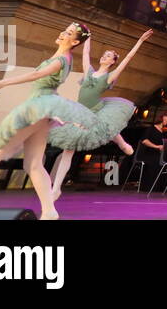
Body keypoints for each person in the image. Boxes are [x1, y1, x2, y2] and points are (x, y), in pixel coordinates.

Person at [0, 22, 100, 219]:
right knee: (33, 163)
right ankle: (49, 211)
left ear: (74, 41)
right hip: (41, 109)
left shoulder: (61, 59)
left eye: (68, 33)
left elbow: (37, 75)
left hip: (37, 109)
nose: (62, 33)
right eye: (64, 29)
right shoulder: (62, 57)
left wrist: (3, 82)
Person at [48, 29, 153, 202]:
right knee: (68, 151)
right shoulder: (89, 71)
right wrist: (88, 36)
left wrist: (140, 41)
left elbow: (127, 60)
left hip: (96, 111)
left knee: (106, 124)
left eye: (109, 56)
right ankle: (56, 188)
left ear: (112, 62)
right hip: (79, 112)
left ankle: (121, 142)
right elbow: (86, 52)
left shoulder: (109, 77)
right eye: (104, 54)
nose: (105, 56)